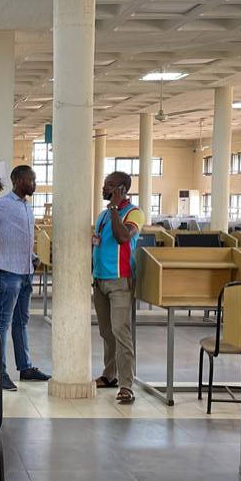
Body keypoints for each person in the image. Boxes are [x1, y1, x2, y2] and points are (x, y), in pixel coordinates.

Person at [0, 165, 51, 391]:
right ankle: (0, 372)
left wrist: (34, 256)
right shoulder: (3, 204)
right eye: (31, 179)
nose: (35, 183)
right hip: (7, 273)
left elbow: (22, 237)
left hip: (26, 271)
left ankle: (25, 367)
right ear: (18, 181)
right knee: (3, 324)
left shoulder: (27, 207)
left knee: (21, 323)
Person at [92, 171, 144, 405]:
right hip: (100, 279)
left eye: (110, 185)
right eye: (105, 185)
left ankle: (126, 385)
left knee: (121, 331)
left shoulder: (134, 213)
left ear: (122, 189)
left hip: (120, 280)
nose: (105, 188)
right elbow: (97, 243)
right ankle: (109, 375)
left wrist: (115, 209)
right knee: (106, 331)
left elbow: (123, 237)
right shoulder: (103, 215)